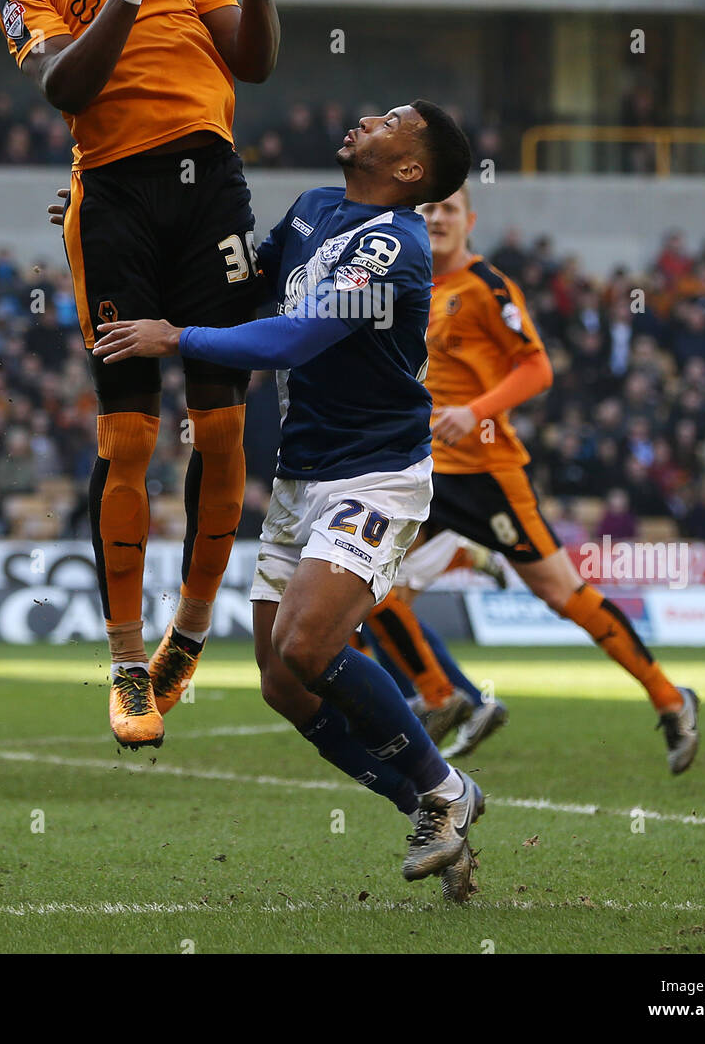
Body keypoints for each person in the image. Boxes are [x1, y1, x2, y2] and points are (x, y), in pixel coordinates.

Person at [86, 102, 486, 899]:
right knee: (283, 682)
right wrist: (108, 235)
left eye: (392, 120)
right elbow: (235, 287)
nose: (368, 116)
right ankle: (428, 812)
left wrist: (178, 339)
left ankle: (448, 791)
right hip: (303, 474)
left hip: (373, 473)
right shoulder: (313, 208)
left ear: (410, 170)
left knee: (308, 648)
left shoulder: (390, 245)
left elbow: (297, 336)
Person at [0, 0, 280, 750]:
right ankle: (124, 661)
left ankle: (187, 639)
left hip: (212, 197)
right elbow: (64, 89)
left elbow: (254, 62)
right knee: (127, 436)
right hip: (113, 201)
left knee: (226, 426)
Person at [380, 186, 700, 773]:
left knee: (560, 593)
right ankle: (439, 696)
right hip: (422, 472)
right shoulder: (409, 289)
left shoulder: (487, 286)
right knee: (369, 586)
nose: (437, 218)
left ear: (469, 220)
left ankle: (669, 697)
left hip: (486, 472)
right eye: (426, 210)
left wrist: (473, 412)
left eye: (448, 209)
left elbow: (538, 368)